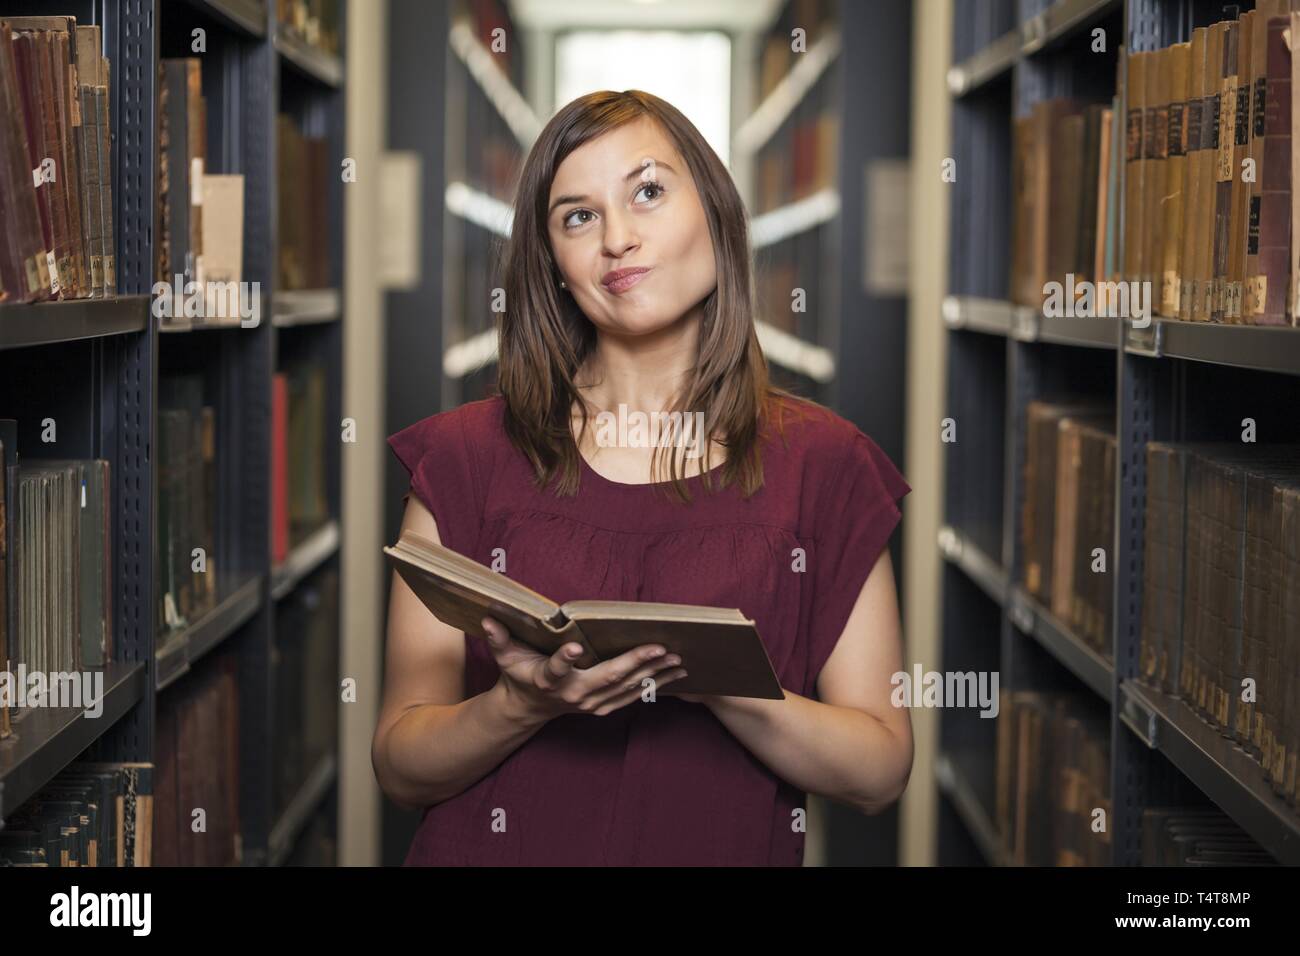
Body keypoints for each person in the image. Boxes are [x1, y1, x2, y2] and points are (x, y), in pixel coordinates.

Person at [373, 89, 912, 865]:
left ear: (717, 215)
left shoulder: (826, 464)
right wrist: (518, 705)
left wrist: (710, 676)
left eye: (648, 192)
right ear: (553, 264)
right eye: (577, 217)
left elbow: (880, 770)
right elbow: (398, 766)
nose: (617, 239)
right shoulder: (462, 458)